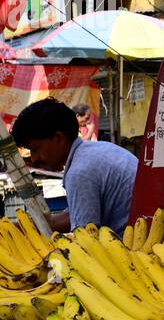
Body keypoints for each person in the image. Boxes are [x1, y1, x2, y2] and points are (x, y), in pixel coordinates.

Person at [11, 97, 137, 234]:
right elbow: (76, 215)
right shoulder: (97, 150)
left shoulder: (79, 173)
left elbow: (86, 236)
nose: (34, 158)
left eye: (35, 149)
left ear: (59, 139)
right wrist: (16, 229)